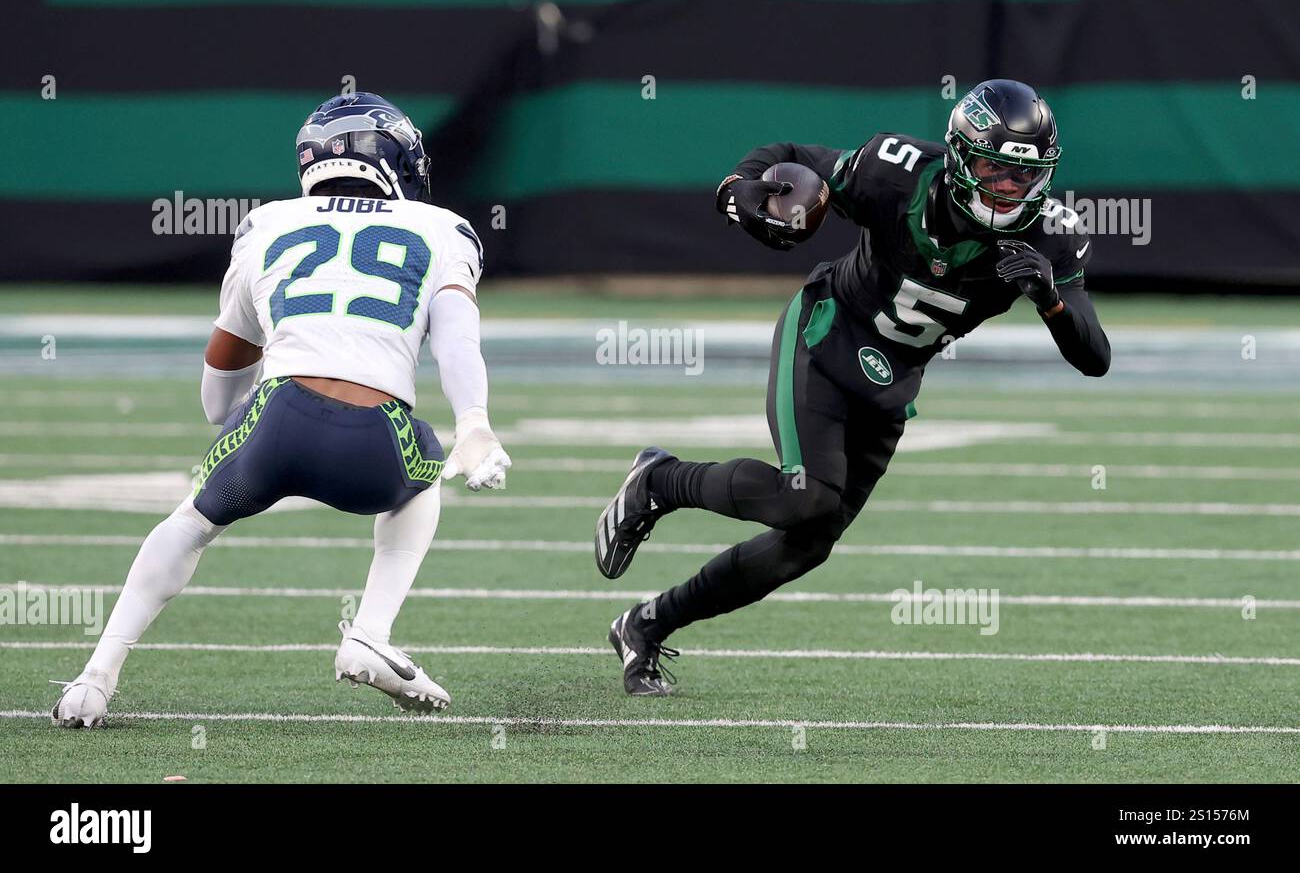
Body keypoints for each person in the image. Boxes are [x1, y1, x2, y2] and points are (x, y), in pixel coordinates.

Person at [595, 79, 1109, 696]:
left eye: (1020, 178)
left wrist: (1050, 299)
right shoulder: (895, 173)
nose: (1006, 189)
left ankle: (646, 626)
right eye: (993, 171)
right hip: (824, 332)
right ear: (960, 157)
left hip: (891, 382)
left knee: (805, 546)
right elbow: (787, 153)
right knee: (804, 497)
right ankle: (658, 480)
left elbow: (1094, 356)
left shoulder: (1051, 233)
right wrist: (740, 186)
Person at [53, 92, 511, 726]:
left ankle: (94, 678)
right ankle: (369, 632)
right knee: (424, 475)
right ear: (393, 160)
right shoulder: (443, 229)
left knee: (189, 524)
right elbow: (458, 338)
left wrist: (254, 412)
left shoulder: (266, 224)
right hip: (375, 439)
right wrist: (475, 423)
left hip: (274, 420)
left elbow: (217, 392)